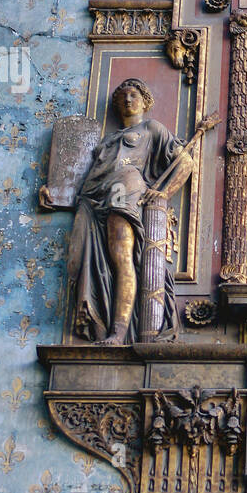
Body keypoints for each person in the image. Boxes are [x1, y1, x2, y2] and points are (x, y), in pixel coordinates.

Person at [68, 79, 191, 345]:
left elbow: (185, 161)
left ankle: (119, 331)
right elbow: (88, 178)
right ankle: (102, 322)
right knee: (84, 261)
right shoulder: (109, 139)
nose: (127, 100)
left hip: (126, 188)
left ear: (145, 101)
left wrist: (164, 193)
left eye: (133, 95)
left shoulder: (151, 128)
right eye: (122, 96)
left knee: (122, 256)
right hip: (93, 198)